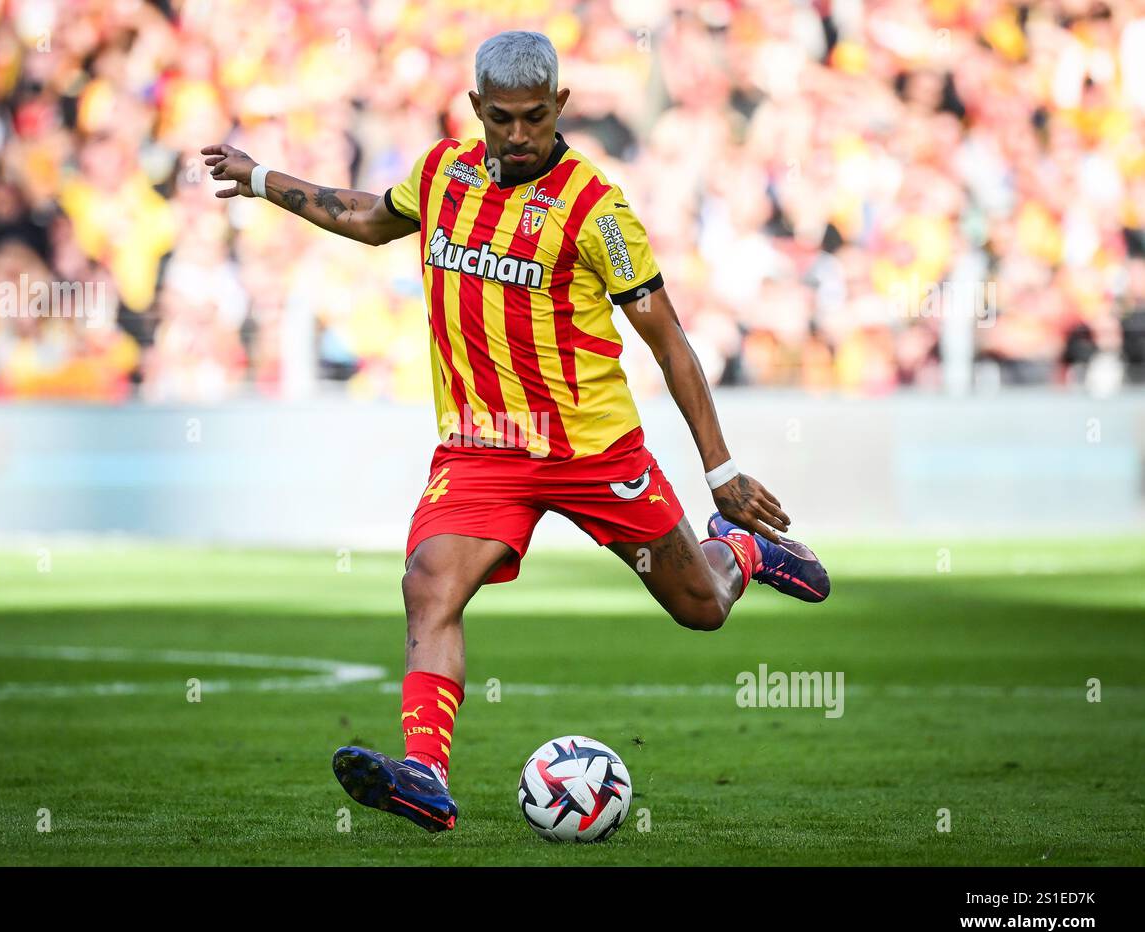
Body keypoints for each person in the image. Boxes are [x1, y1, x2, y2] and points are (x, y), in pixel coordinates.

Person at [203, 30, 829, 834]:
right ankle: (424, 774)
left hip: (590, 451)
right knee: (428, 584)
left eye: (535, 117)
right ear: (476, 110)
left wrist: (721, 473)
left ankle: (740, 553)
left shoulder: (596, 210)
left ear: (561, 105)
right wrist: (258, 178)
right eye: (502, 119)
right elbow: (364, 216)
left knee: (701, 609)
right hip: (481, 448)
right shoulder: (441, 175)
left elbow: (668, 341)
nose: (520, 134)